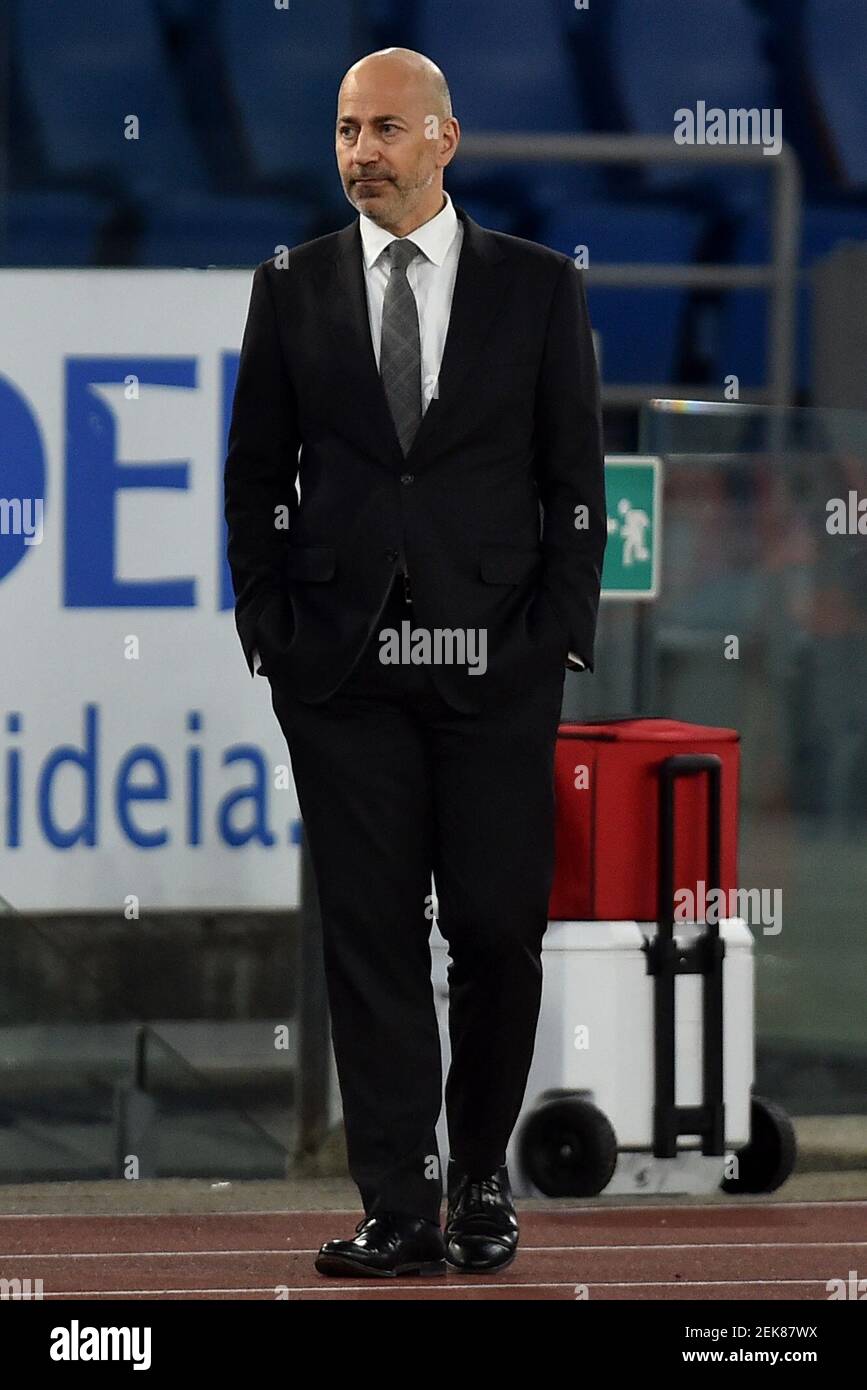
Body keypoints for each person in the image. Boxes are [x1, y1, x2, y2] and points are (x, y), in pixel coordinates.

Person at [223, 47, 607, 1278]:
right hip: (340, 673)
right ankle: (399, 1198)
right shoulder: (289, 286)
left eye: (384, 128)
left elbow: (575, 486)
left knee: (496, 930)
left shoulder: (540, 288)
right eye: (343, 129)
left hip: (496, 663)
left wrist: (554, 635)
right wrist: (271, 632)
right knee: (372, 935)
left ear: (446, 138)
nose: (358, 153)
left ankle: (482, 1178)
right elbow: (253, 483)